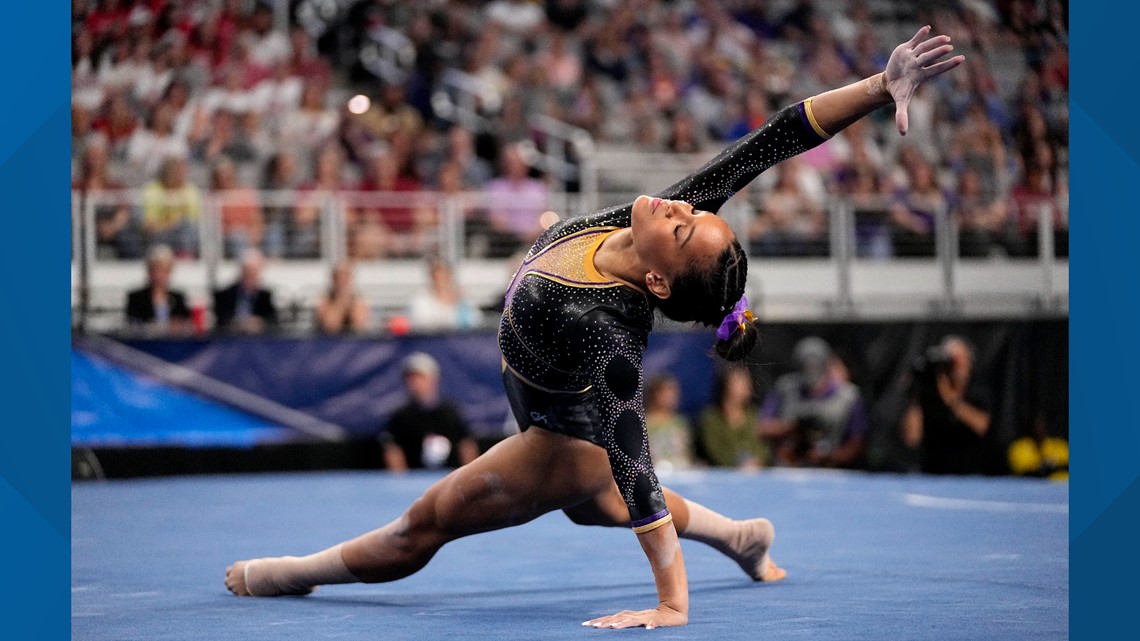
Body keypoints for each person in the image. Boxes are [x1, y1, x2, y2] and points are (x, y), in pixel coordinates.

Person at [226, 27, 962, 629]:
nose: (680, 209)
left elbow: (635, 460)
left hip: (562, 430)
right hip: (545, 400)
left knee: (428, 522)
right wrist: (877, 86)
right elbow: (771, 141)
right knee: (597, 506)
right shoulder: (645, 225)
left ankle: (296, 574)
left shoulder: (608, 331)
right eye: (694, 212)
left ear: (659, 280)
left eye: (683, 227)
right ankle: (743, 536)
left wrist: (673, 603)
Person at [758, 337, 869, 469]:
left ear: (827, 365)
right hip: (789, 467)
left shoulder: (848, 397)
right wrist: (792, 426)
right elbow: (762, 428)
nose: (811, 370)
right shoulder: (785, 389)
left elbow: (857, 442)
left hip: (832, 469)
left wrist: (828, 455)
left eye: (816, 365)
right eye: (806, 365)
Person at [902, 335, 993, 475]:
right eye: (951, 361)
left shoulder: (978, 390)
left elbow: (982, 425)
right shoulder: (930, 394)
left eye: (959, 361)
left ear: (970, 362)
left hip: (971, 475)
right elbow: (912, 438)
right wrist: (915, 394)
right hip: (934, 474)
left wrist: (950, 399)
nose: (955, 367)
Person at [380, 353, 480, 472]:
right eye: (411, 379)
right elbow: (393, 449)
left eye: (420, 377)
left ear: (434, 378)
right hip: (413, 479)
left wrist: (469, 474)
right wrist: (402, 483)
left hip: (450, 477)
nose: (415, 383)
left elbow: (466, 444)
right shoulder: (400, 415)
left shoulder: (451, 412)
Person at [697, 366, 768, 469]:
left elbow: (763, 447)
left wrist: (757, 462)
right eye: (740, 381)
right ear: (726, 384)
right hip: (722, 476)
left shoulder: (754, 416)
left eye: (747, 381)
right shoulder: (711, 418)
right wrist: (737, 464)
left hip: (754, 475)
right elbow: (714, 450)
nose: (747, 386)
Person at [125, 244, 191, 332]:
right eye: (156, 270)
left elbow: (186, 323)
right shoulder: (136, 298)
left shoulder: (178, 298)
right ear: (149, 271)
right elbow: (132, 324)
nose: (159, 275)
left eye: (164, 271)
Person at [213, 248, 278, 333]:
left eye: (254, 272)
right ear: (241, 270)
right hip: (229, 340)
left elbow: (273, 320)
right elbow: (220, 318)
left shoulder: (265, 296)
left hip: (258, 342)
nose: (251, 276)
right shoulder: (224, 295)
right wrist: (238, 322)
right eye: (248, 271)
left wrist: (260, 322)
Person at [406, 259, 478, 332]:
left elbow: (476, 322)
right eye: (438, 277)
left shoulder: (463, 303)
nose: (442, 281)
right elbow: (421, 324)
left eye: (445, 276)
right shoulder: (421, 301)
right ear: (432, 278)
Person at [644, 374, 695, 473]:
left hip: (681, 471)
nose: (671, 396)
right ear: (654, 393)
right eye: (666, 391)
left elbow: (687, 453)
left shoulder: (680, 423)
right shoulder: (642, 423)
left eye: (674, 392)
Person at [314, 261, 371, 334]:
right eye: (339, 277)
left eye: (346, 276)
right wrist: (340, 301)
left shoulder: (359, 299)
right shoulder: (325, 299)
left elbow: (359, 325)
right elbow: (330, 325)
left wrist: (349, 302)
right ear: (333, 279)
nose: (342, 280)